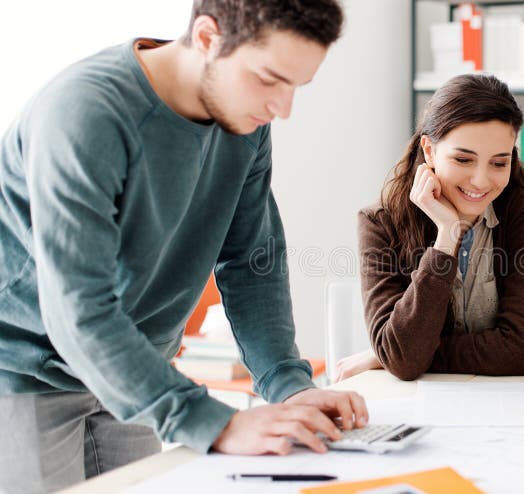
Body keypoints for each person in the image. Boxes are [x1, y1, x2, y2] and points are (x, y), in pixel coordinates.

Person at [0, 1, 369, 492]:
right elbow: (79, 310)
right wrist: (217, 423)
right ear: (207, 37)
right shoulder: (84, 113)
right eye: (268, 79)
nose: (283, 108)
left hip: (137, 372)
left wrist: (288, 385)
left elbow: (251, 263)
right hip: (24, 374)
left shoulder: (247, 125)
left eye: (296, 86)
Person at [335, 74, 524, 382]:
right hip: (419, 406)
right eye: (464, 159)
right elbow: (404, 360)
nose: (481, 180)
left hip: (499, 404)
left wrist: (394, 355)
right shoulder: (379, 223)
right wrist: (446, 238)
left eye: (499, 163)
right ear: (430, 150)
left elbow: (522, 351)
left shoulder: (520, 210)